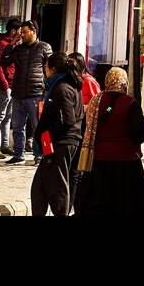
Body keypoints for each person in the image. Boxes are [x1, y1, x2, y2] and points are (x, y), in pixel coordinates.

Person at [74, 67, 144, 217]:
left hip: (98, 165)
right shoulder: (130, 103)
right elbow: (138, 134)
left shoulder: (96, 102)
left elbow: (85, 129)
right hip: (126, 165)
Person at [32, 52, 83, 216]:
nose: (44, 70)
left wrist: (49, 137)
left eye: (45, 67)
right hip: (57, 142)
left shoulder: (62, 88)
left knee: (58, 186)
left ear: (52, 69)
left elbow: (68, 120)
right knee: (39, 185)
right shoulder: (63, 86)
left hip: (60, 143)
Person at [2, 20, 53, 164]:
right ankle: (19, 155)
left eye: (24, 32)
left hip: (36, 93)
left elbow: (51, 69)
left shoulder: (44, 47)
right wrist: (11, 44)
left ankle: (40, 156)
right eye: (21, 32)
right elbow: (4, 61)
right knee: (18, 127)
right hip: (18, 93)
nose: (22, 35)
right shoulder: (18, 49)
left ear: (33, 31)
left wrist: (47, 88)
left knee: (39, 127)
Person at [0, 19, 20, 158]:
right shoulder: (1, 44)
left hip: (13, 84)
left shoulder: (16, 45)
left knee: (8, 116)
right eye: (19, 32)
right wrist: (5, 85)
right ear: (12, 31)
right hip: (4, 85)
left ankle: (5, 145)